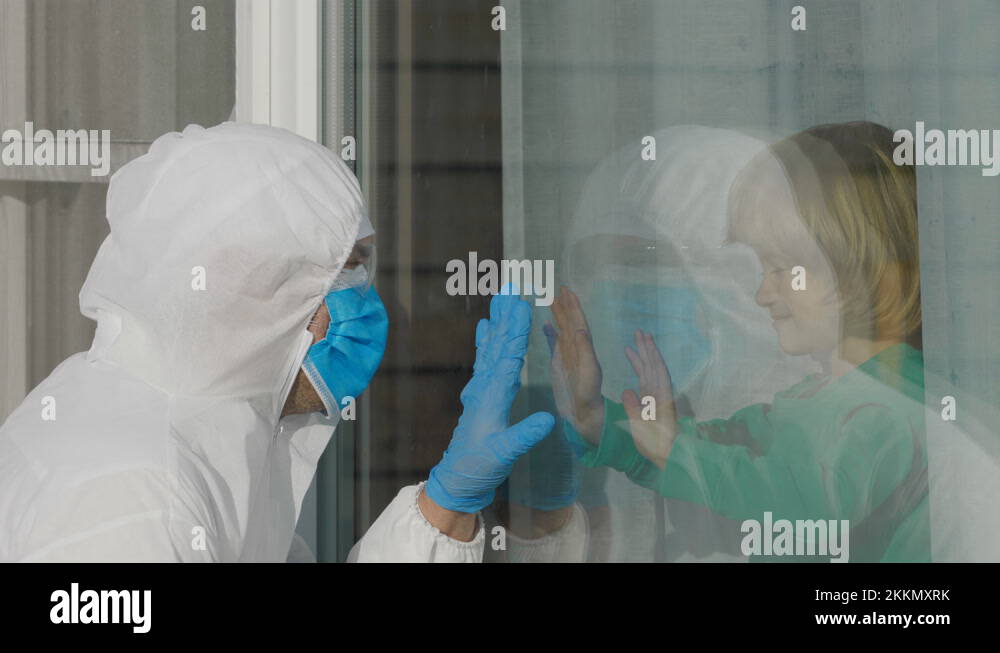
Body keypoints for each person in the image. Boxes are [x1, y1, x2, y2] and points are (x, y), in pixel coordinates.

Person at [0, 122, 552, 563]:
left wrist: (443, 511)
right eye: (348, 270)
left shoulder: (203, 439)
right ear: (253, 287)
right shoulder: (134, 499)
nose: (369, 298)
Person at [550, 121, 931, 562]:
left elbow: (783, 490)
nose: (607, 286)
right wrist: (600, 423)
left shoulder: (883, 415)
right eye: (591, 261)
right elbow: (716, 447)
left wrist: (670, 452)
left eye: (643, 260)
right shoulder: (801, 407)